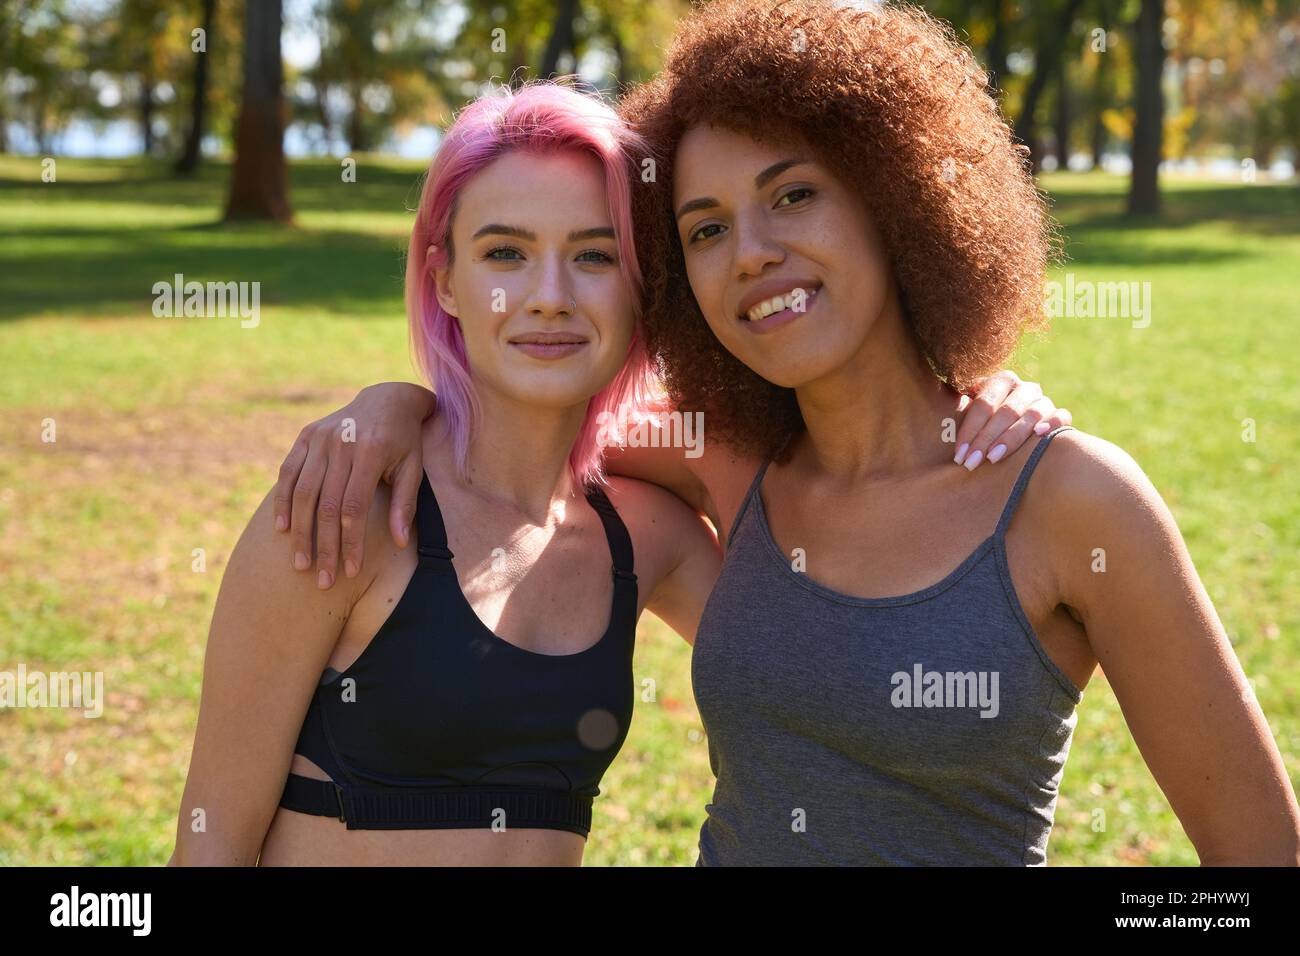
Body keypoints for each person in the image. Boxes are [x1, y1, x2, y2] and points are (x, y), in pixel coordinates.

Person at [276, 1, 1300, 865]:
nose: (751, 253)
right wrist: (391, 403)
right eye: (705, 229)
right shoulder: (729, 462)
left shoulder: (1075, 500)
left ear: (900, 203)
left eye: (793, 196)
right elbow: (516, 424)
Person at [170, 81, 725, 866]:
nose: (549, 297)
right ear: (445, 280)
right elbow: (210, 842)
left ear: (642, 287)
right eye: (506, 253)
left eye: (594, 255)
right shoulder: (344, 506)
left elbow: (816, 675)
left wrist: (964, 398)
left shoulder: (646, 537)